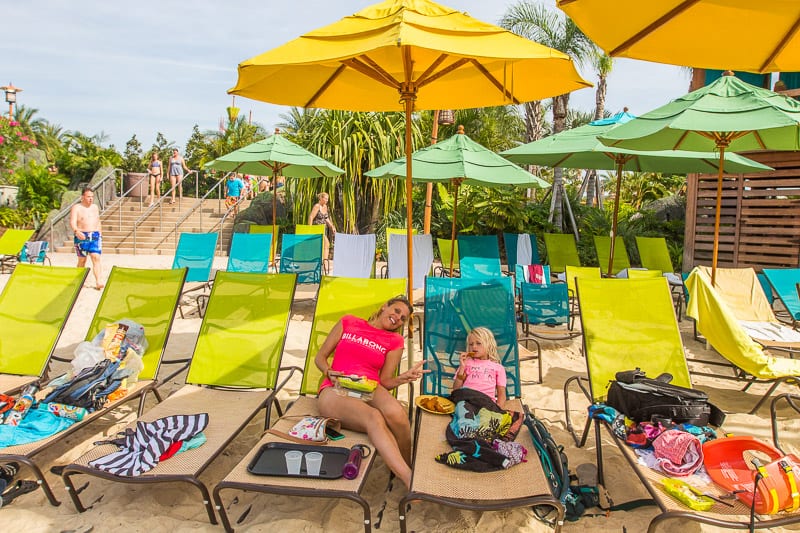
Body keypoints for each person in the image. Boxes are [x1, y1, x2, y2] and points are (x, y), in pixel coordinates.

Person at [315, 295, 427, 489]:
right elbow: (320, 357)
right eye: (397, 311)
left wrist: (403, 378)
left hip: (369, 387)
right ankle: (410, 480)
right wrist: (328, 371)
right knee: (375, 417)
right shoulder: (348, 322)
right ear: (385, 306)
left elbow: (384, 381)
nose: (398, 318)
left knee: (397, 415)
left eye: (403, 318)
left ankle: (404, 464)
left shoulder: (395, 340)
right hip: (336, 387)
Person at [453, 327, 507, 409]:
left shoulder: (498, 368)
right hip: (466, 399)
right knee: (462, 407)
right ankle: (467, 420)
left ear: (489, 345)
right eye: (471, 344)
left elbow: (502, 395)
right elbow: (456, 389)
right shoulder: (466, 363)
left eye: (478, 343)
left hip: (486, 402)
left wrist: (498, 411)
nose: (474, 347)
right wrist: (462, 367)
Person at [70, 187, 104, 290]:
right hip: (81, 236)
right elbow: (72, 221)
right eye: (88, 196)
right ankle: (80, 280)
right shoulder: (77, 207)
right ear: (82, 197)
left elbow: (98, 221)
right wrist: (76, 231)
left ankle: (98, 281)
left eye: (92, 197)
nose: (91, 199)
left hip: (94, 235)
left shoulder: (94, 207)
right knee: (82, 260)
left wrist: (100, 234)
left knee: (96, 257)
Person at [309, 192, 336, 259]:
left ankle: (323, 262)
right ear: (321, 198)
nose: (327, 200)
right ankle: (325, 262)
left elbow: (326, 218)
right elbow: (311, 217)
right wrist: (309, 229)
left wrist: (332, 226)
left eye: (327, 199)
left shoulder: (325, 207)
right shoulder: (317, 206)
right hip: (317, 229)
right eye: (325, 199)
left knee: (323, 245)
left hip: (323, 229)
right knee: (326, 244)